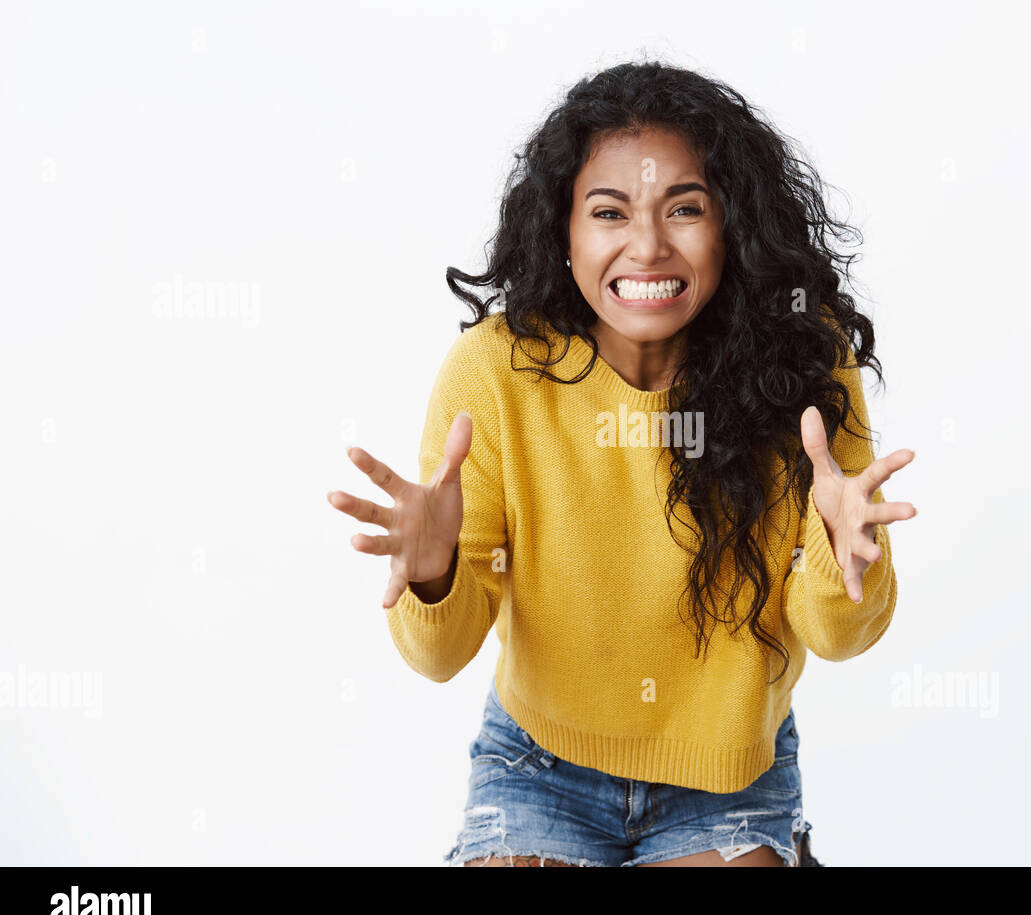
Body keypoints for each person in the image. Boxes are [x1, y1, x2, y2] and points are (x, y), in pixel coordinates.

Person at [327, 60, 917, 866]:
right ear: (562, 230)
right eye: (610, 212)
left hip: (729, 775)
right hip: (538, 767)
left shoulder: (800, 362)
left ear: (732, 225)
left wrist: (842, 559)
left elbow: (841, 636)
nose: (647, 246)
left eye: (686, 208)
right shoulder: (496, 373)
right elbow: (438, 657)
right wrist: (434, 574)